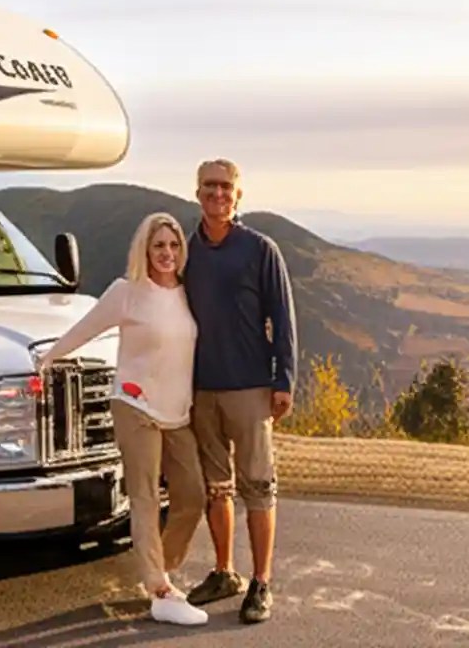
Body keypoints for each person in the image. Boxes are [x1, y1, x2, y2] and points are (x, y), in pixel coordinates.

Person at [35, 212, 209, 627]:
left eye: (172, 245)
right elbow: (86, 329)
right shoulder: (126, 292)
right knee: (145, 495)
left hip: (177, 410)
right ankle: (160, 588)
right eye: (158, 246)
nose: (166, 253)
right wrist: (46, 359)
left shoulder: (187, 294)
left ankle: (157, 568)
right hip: (134, 403)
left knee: (192, 496)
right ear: (144, 251)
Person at [182, 158, 297, 625]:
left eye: (226, 186)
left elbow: (283, 317)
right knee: (217, 488)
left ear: (238, 195)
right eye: (209, 185)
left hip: (250, 388)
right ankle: (224, 572)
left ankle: (261, 581)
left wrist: (284, 379)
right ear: (197, 192)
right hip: (201, 389)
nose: (217, 193)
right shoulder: (184, 249)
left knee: (259, 488)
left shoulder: (260, 249)